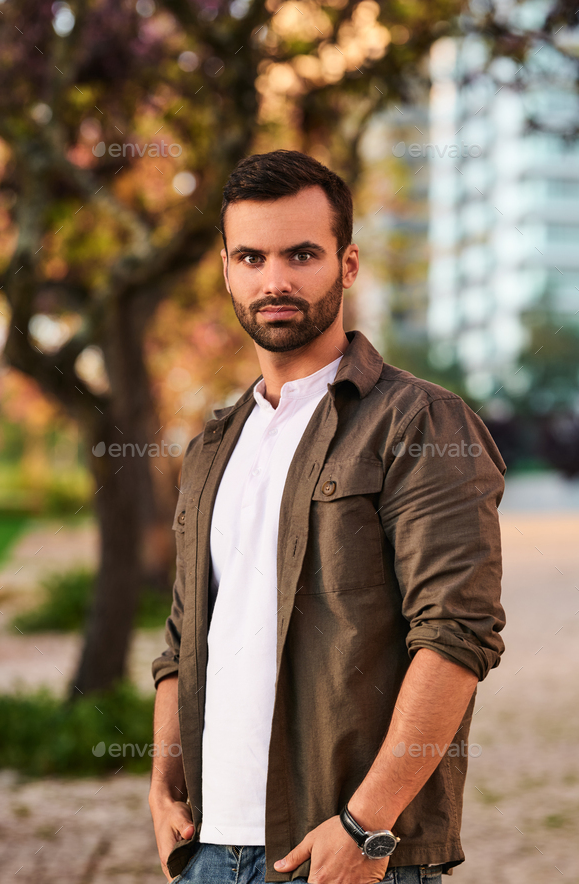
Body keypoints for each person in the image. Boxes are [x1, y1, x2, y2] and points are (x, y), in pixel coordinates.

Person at [149, 149, 506, 884]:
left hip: (345, 854)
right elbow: (184, 636)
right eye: (251, 256)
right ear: (226, 270)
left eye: (301, 254)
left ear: (347, 266)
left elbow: (456, 635)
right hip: (208, 852)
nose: (273, 280)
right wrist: (163, 785)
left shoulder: (421, 422)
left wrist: (366, 826)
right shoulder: (213, 444)